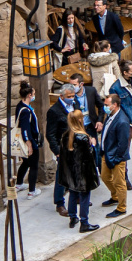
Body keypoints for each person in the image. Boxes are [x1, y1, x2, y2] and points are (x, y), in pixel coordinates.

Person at [59, 108, 100, 232]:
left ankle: (73, 218)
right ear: (80, 120)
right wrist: (93, 144)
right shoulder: (83, 137)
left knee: (73, 193)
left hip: (71, 172)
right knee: (84, 197)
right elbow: (90, 156)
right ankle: (84, 223)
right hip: (83, 172)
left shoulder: (66, 136)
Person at [47, 82, 82, 215]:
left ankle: (76, 195)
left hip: (76, 145)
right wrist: (57, 151)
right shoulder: (54, 111)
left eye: (73, 96)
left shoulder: (75, 105)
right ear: (62, 96)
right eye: (69, 96)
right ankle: (59, 203)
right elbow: (50, 134)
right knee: (62, 176)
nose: (72, 98)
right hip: (63, 148)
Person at [99, 93, 131, 219]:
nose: (105, 107)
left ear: (115, 105)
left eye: (107, 105)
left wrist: (116, 159)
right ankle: (115, 196)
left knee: (119, 183)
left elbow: (123, 144)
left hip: (117, 157)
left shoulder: (122, 121)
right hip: (106, 153)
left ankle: (121, 207)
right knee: (105, 177)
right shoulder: (110, 115)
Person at [13, 82, 42, 196]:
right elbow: (25, 129)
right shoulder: (25, 111)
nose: (34, 96)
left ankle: (19, 183)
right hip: (30, 141)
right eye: (33, 94)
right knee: (33, 166)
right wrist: (29, 145)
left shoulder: (20, 106)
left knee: (25, 162)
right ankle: (32, 191)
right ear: (29, 95)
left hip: (28, 140)